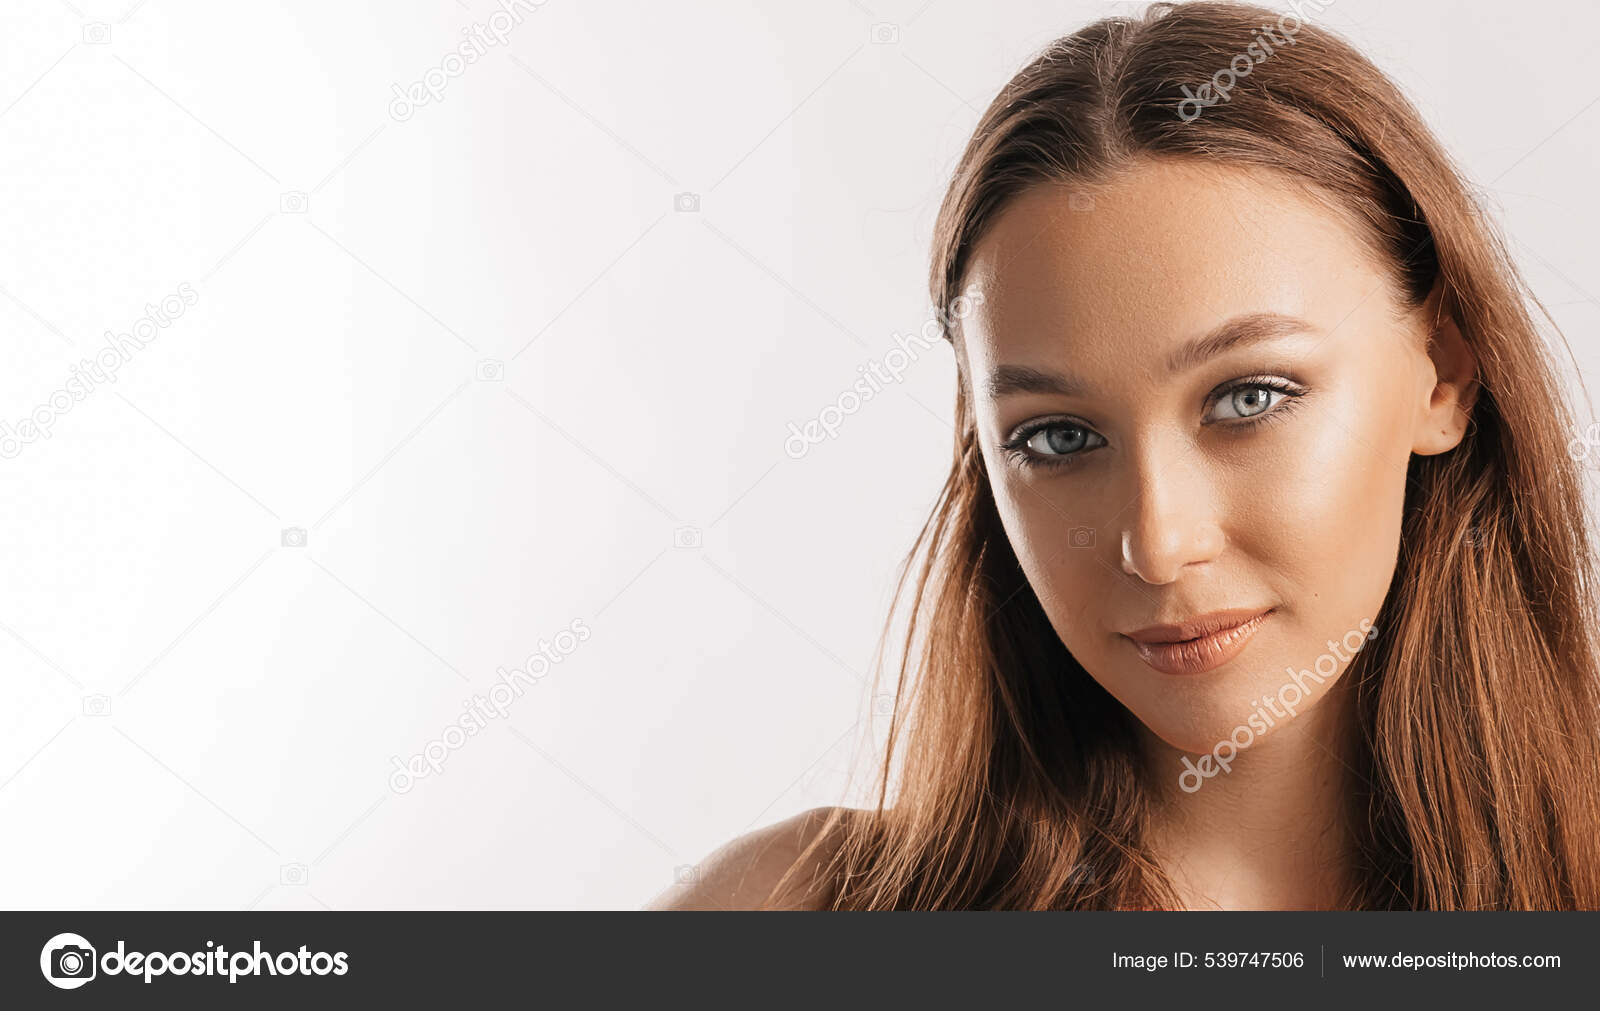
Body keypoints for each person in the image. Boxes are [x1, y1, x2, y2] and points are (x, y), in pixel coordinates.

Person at [650, 0, 1600, 911]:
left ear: (1442, 375)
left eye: (1248, 397)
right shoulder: (793, 919)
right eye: (1058, 436)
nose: (1157, 541)